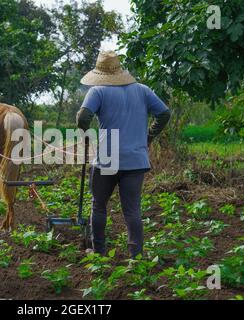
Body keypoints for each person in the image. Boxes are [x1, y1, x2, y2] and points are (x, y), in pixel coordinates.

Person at [76, 51, 170, 258]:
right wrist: (149, 137)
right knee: (132, 210)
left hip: (107, 159)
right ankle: (136, 256)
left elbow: (83, 117)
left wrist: (88, 134)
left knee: (99, 205)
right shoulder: (143, 90)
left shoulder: (97, 91)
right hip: (136, 160)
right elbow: (164, 113)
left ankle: (99, 252)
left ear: (99, 72)